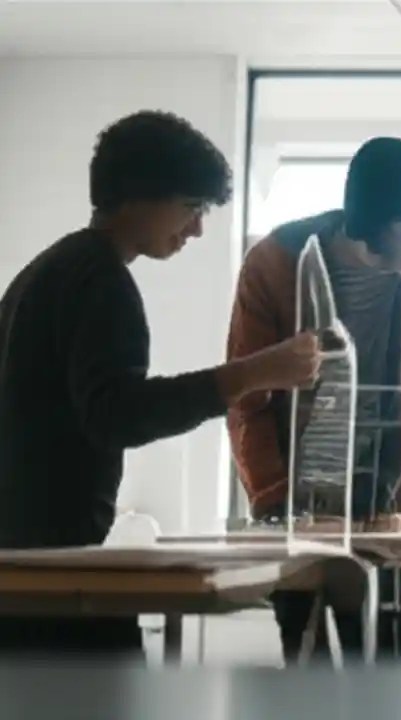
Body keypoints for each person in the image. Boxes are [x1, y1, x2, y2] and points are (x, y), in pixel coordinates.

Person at [0, 110, 322, 658]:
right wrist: (252, 373)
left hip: (27, 563)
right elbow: (116, 414)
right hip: (50, 567)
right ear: (140, 195)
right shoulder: (100, 279)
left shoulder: (51, 269)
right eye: (191, 207)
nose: (196, 228)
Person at [226, 137, 401, 663]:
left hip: (390, 500)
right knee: (306, 658)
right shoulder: (275, 265)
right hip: (296, 503)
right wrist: (275, 501)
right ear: (372, 232)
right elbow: (248, 401)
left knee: (395, 666)